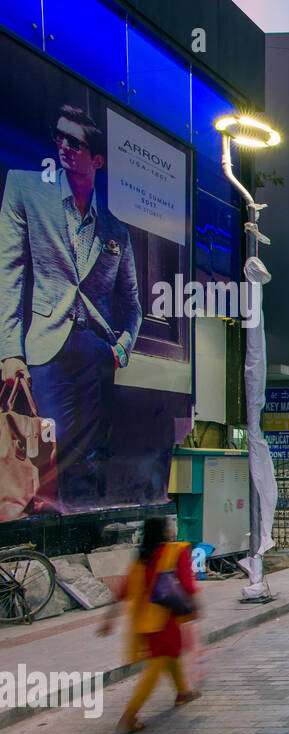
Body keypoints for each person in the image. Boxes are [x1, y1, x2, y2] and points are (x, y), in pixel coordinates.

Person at [0, 105, 142, 510]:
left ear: (95, 158)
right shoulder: (26, 190)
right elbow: (8, 272)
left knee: (89, 460)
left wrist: (123, 345)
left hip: (97, 355)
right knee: (47, 457)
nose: (63, 146)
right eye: (58, 137)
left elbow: (131, 303)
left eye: (74, 142)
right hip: (46, 348)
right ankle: (50, 544)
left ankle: (79, 545)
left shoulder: (115, 230)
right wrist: (10, 351)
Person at [97, 517, 201, 733]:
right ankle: (129, 716)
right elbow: (187, 583)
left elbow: (122, 591)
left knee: (171, 655)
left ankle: (183, 692)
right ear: (165, 532)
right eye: (169, 527)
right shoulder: (176, 551)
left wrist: (109, 619)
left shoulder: (142, 556)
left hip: (142, 621)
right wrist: (194, 606)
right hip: (165, 618)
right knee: (155, 666)